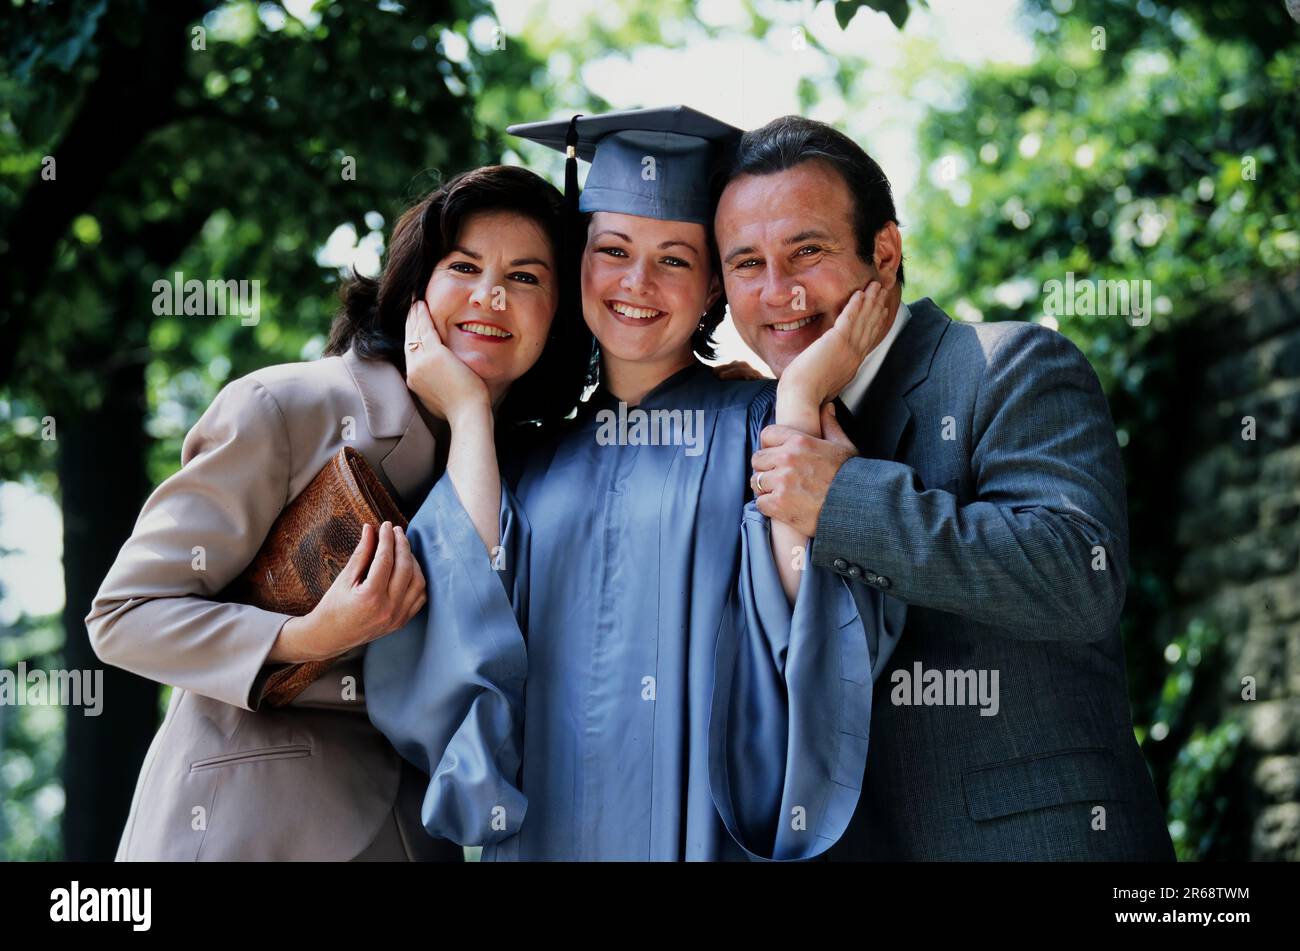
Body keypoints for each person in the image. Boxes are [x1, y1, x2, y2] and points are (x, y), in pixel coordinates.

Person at [365, 106, 905, 861]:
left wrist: (797, 390)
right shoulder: (523, 460)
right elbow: (453, 647)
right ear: (578, 265)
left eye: (675, 259)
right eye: (612, 250)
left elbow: (817, 636)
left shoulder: (763, 426)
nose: (636, 283)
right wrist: (468, 414)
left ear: (714, 286)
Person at [84, 164, 586, 860]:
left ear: (562, 311)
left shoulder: (536, 465)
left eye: (526, 277)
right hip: (248, 827)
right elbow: (124, 615)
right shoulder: (288, 408)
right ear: (414, 288)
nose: (491, 295)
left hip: (413, 834)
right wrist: (309, 636)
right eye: (463, 266)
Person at [713, 114, 1175, 860]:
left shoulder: (1009, 366)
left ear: (884, 252)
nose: (779, 292)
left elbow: (1077, 574)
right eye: (746, 263)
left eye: (807, 250)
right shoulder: (755, 425)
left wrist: (844, 499)